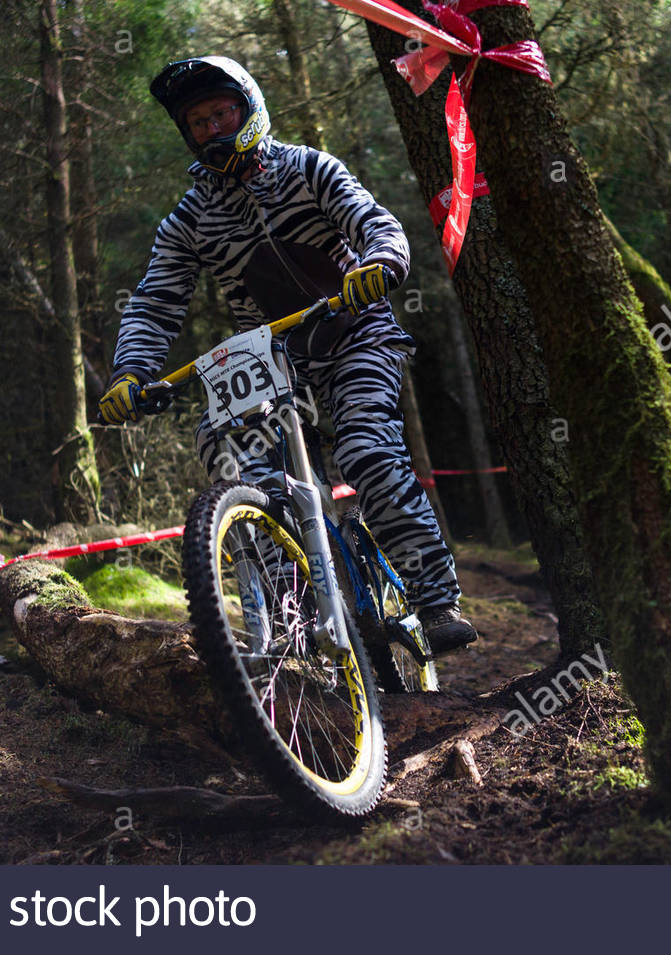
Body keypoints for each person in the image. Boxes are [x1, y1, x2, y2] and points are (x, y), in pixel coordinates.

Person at [99, 56, 477, 655]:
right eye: (197, 123)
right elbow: (155, 299)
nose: (212, 130)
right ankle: (295, 619)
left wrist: (380, 262)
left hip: (357, 331)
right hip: (274, 360)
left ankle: (435, 599)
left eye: (221, 113)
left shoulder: (308, 168)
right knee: (244, 468)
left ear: (248, 106)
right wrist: (131, 370)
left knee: (367, 449)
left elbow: (372, 220)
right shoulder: (190, 219)